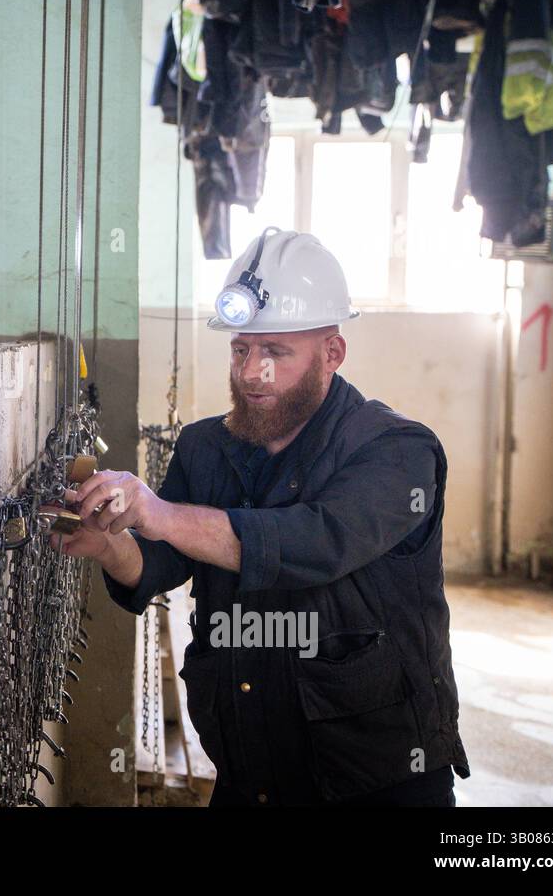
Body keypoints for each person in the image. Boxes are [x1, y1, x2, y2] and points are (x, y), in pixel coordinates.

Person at [55, 228, 469, 806]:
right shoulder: (206, 448)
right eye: (241, 349)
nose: (253, 372)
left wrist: (160, 511)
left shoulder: (397, 451)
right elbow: (155, 566)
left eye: (276, 352)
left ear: (332, 352)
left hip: (378, 779)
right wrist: (109, 546)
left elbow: (315, 543)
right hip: (251, 772)